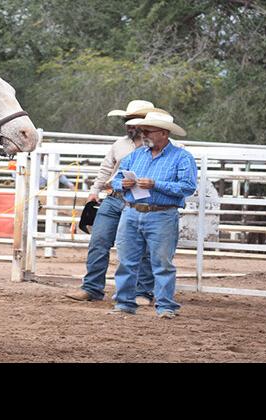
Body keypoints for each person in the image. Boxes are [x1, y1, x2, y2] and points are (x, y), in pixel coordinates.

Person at [65, 100, 162, 305]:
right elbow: (106, 169)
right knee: (99, 242)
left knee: (142, 248)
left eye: (133, 121)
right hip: (114, 198)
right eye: (127, 120)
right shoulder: (119, 144)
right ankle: (92, 287)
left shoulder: (159, 146)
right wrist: (94, 191)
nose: (128, 125)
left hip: (142, 202)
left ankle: (143, 291)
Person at [108, 111, 197, 319]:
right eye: (143, 130)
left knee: (161, 262)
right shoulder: (136, 155)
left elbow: (187, 187)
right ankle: (125, 302)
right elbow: (114, 181)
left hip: (162, 214)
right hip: (131, 211)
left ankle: (165, 306)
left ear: (164, 133)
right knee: (126, 260)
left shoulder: (182, 157)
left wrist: (157, 184)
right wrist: (122, 184)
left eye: (148, 131)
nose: (143, 134)